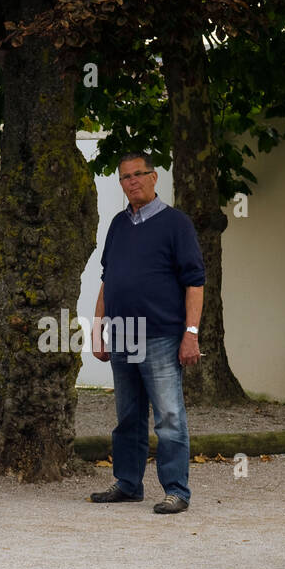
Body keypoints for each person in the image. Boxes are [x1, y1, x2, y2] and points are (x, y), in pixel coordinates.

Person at [88, 152, 204, 515]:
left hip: (161, 335)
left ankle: (176, 490)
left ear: (154, 178)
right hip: (122, 333)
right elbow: (108, 279)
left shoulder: (176, 224)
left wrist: (191, 333)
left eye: (139, 174)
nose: (132, 181)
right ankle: (127, 483)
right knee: (128, 416)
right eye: (125, 177)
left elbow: (195, 283)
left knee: (169, 416)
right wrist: (97, 328)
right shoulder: (118, 225)